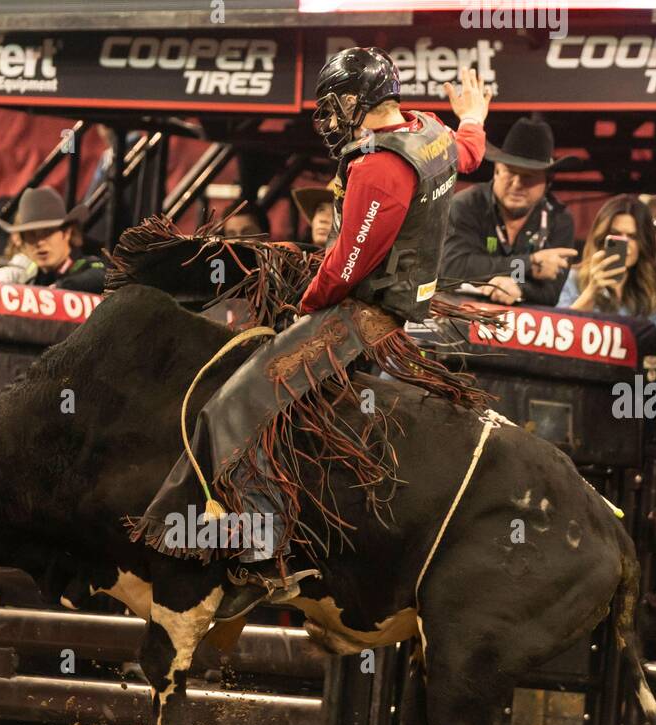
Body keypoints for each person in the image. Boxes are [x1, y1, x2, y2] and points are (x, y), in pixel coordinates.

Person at [132, 47, 491, 617]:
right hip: (407, 307)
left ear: (364, 100)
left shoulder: (379, 169)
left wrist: (303, 305)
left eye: (336, 103)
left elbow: (347, 265)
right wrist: (472, 114)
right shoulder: (432, 130)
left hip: (365, 318)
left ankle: (264, 549)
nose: (328, 117)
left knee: (234, 405)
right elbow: (470, 152)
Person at [440, 116, 577, 306]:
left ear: (547, 182)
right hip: (460, 317)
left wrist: (518, 287)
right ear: (496, 171)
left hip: (527, 328)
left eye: (528, 177)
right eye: (510, 172)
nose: (517, 184)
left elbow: (549, 294)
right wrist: (530, 263)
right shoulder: (466, 205)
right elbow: (454, 269)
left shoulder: (559, 220)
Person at [557, 194, 656, 326]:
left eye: (632, 236)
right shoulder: (571, 279)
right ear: (601, 238)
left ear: (643, 243)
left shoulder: (649, 291)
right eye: (616, 234)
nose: (625, 242)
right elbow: (561, 332)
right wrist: (592, 291)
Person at [0, 186, 107, 293]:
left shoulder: (87, 266)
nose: (39, 242)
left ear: (67, 233)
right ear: (23, 241)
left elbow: (102, 276)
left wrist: (57, 290)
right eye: (32, 235)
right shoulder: (32, 277)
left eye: (48, 232)